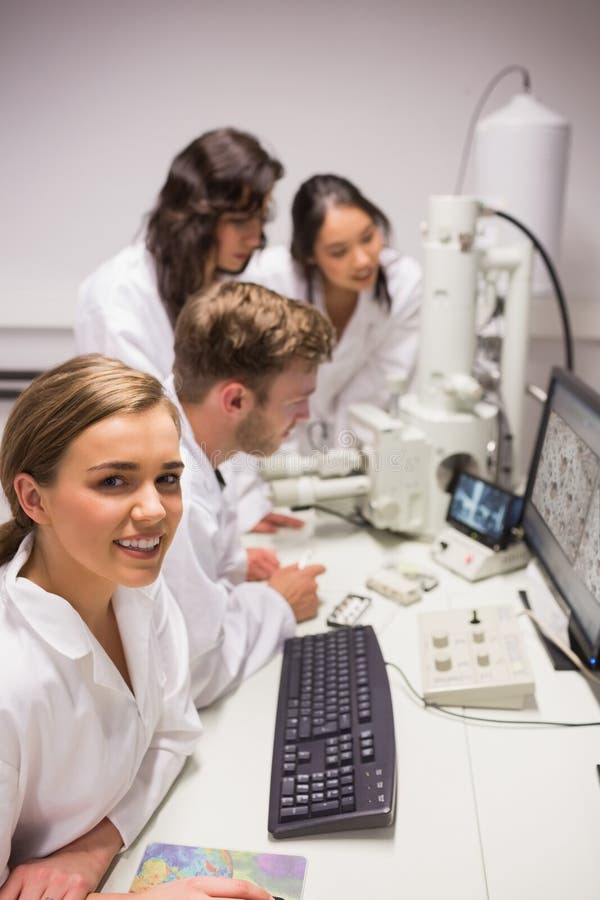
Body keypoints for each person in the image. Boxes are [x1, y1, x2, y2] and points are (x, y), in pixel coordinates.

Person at [0, 355, 271, 900]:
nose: (154, 510)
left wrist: (91, 850)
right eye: (115, 481)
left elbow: (172, 731)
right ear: (34, 499)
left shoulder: (139, 589)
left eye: (167, 478)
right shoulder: (12, 678)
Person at [75, 126, 297, 539]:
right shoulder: (117, 301)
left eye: (260, 217)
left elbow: (231, 407)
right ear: (194, 219)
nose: (255, 237)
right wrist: (224, 535)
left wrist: (246, 509)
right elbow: (151, 441)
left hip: (214, 513)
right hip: (155, 523)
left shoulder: (220, 282)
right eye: (239, 220)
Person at [163, 281, 335, 706]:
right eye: (296, 400)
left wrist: (232, 565)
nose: (306, 415)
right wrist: (276, 604)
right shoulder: (173, 495)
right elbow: (197, 673)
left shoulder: (180, 426)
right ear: (235, 400)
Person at [242, 173, 422, 452]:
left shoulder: (403, 284)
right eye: (339, 252)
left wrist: (340, 465)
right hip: (264, 445)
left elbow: (374, 389)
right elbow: (260, 392)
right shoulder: (270, 281)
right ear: (309, 255)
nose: (363, 260)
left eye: (368, 237)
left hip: (351, 442)